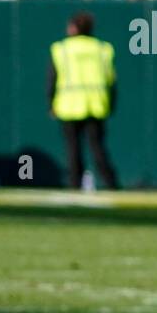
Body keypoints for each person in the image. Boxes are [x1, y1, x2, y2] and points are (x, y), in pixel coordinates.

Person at [48, 11, 119, 189]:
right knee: (98, 148)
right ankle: (111, 183)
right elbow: (111, 80)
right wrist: (111, 103)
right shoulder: (103, 49)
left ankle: (75, 184)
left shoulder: (61, 49)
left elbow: (52, 78)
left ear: (73, 28)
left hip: (69, 105)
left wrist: (51, 103)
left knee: (73, 149)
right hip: (96, 104)